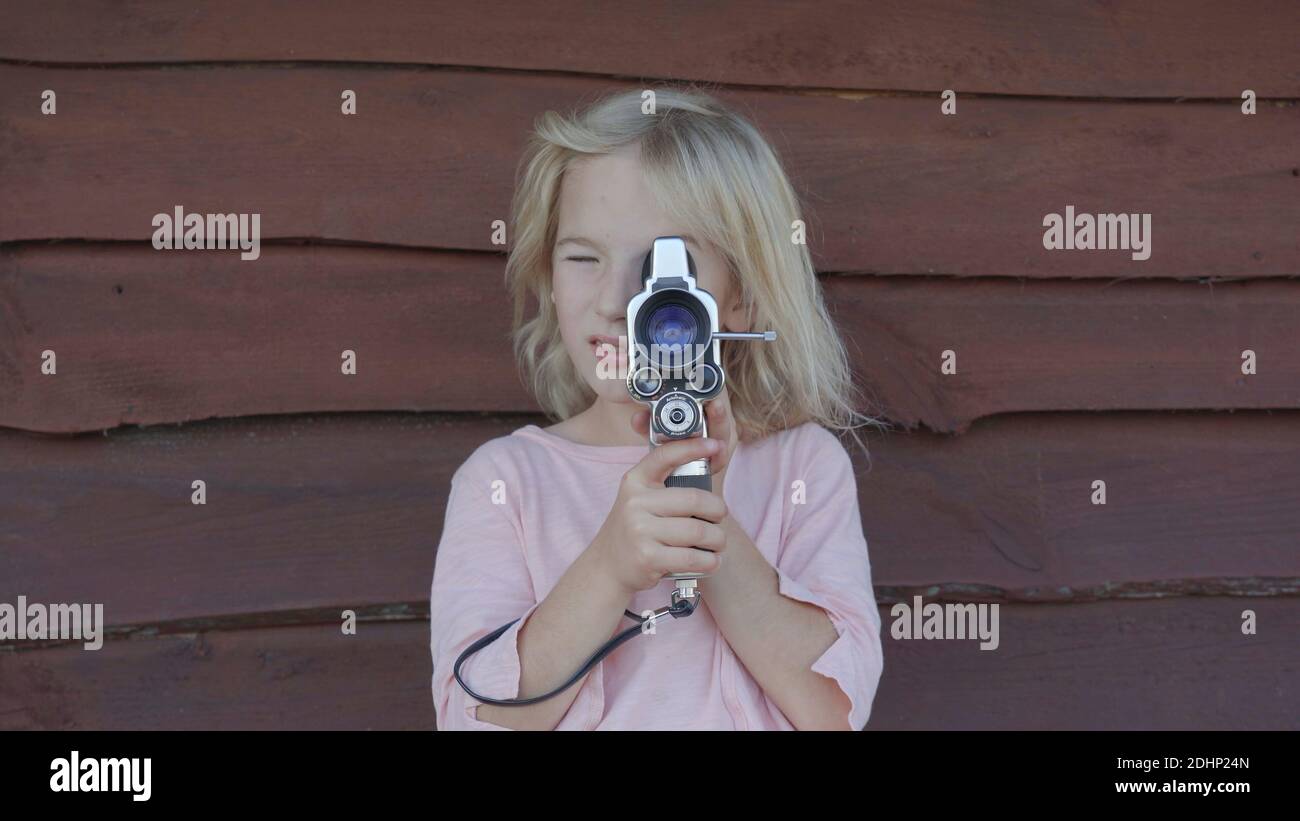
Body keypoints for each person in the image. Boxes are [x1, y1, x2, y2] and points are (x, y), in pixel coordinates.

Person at [430, 86, 884, 730]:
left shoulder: (804, 467)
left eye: (661, 273)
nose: (618, 301)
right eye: (583, 257)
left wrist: (709, 529)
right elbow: (473, 720)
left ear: (743, 297)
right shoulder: (505, 482)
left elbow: (833, 711)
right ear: (547, 278)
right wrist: (610, 566)